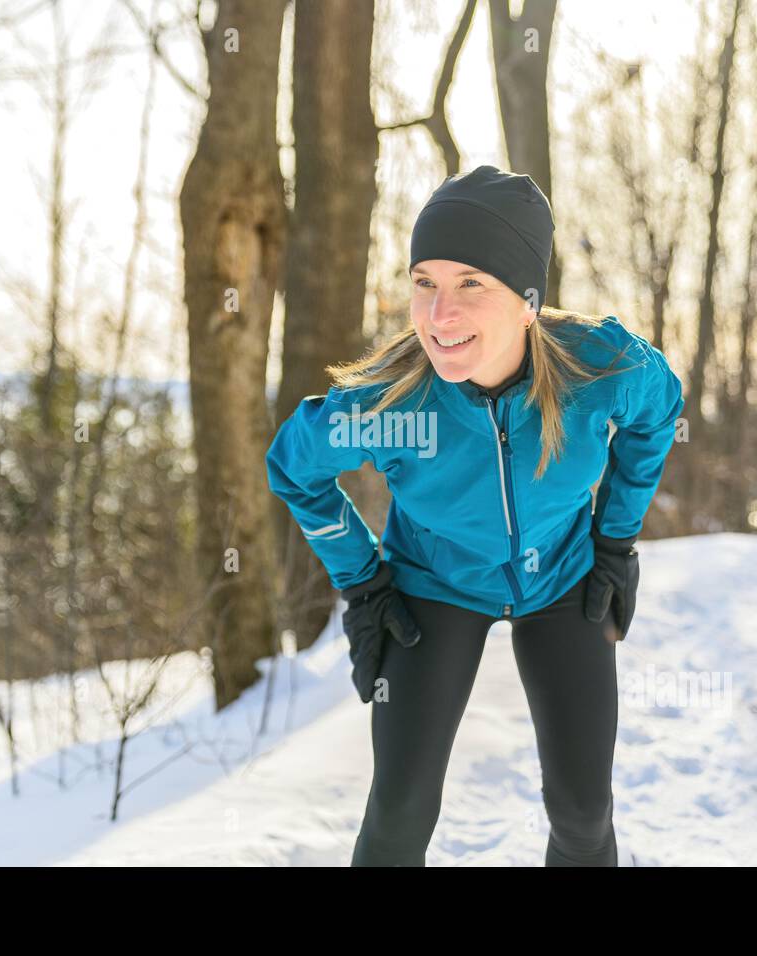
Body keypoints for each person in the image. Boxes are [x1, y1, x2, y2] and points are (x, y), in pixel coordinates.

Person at [265, 164, 684, 866]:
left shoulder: (598, 368)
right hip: (433, 589)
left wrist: (614, 536)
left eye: (470, 285)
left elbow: (658, 412)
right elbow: (293, 467)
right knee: (398, 815)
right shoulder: (389, 406)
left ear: (527, 300)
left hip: (560, 580)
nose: (439, 314)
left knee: (584, 814)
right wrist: (364, 581)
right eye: (424, 282)